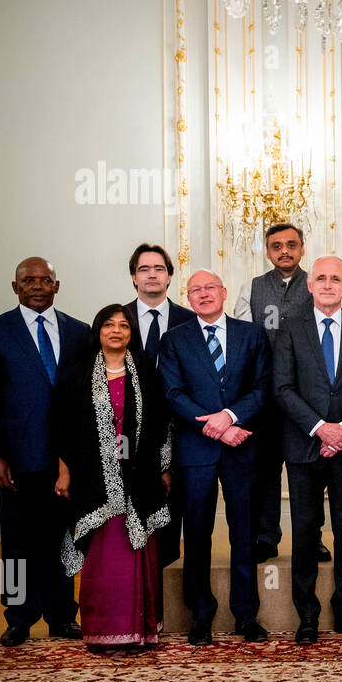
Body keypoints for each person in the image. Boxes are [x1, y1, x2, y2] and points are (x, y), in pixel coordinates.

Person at [0, 257, 89, 646]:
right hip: (15, 462)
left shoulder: (79, 333)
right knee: (19, 542)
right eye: (28, 280)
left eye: (45, 280)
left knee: (62, 539)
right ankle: (19, 616)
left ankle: (60, 615)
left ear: (57, 286)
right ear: (15, 286)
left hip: (66, 461)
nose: (37, 286)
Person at [159, 269, 272, 644]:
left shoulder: (251, 334)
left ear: (224, 292)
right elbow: (173, 394)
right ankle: (200, 615)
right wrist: (219, 426)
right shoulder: (174, 340)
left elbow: (262, 387)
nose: (204, 294)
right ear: (188, 297)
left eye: (210, 288)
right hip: (196, 451)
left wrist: (231, 417)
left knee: (244, 533)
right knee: (197, 534)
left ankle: (245, 615)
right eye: (196, 290)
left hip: (242, 449)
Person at [273, 256, 342, 645]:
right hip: (304, 446)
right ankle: (307, 615)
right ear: (310, 285)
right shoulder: (289, 330)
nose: (329, 284)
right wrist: (321, 429)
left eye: (336, 278)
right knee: (304, 531)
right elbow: (282, 388)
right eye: (322, 278)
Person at [52, 305, 170, 653]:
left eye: (123, 325)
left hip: (140, 476)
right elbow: (62, 428)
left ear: (131, 333)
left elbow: (162, 423)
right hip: (93, 479)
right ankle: (104, 632)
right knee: (105, 558)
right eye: (108, 324)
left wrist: (163, 467)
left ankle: (141, 631)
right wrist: (64, 471)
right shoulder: (76, 376)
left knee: (138, 554)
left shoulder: (146, 372)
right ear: (98, 330)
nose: (116, 330)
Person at [232, 223, 322, 564]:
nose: (284, 251)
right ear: (267, 251)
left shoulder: (316, 286)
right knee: (266, 472)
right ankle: (266, 537)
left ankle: (312, 541)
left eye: (291, 244)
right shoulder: (251, 288)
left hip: (307, 398)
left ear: (302, 248)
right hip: (265, 398)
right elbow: (242, 343)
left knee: (310, 473)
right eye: (276, 246)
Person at [124, 242, 195, 568]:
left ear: (169, 277)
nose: (151, 275)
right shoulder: (116, 319)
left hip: (181, 433)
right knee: (129, 522)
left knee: (171, 515)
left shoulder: (190, 321)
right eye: (144, 269)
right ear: (134, 278)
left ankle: (167, 608)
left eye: (158, 269)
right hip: (127, 437)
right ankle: (135, 601)